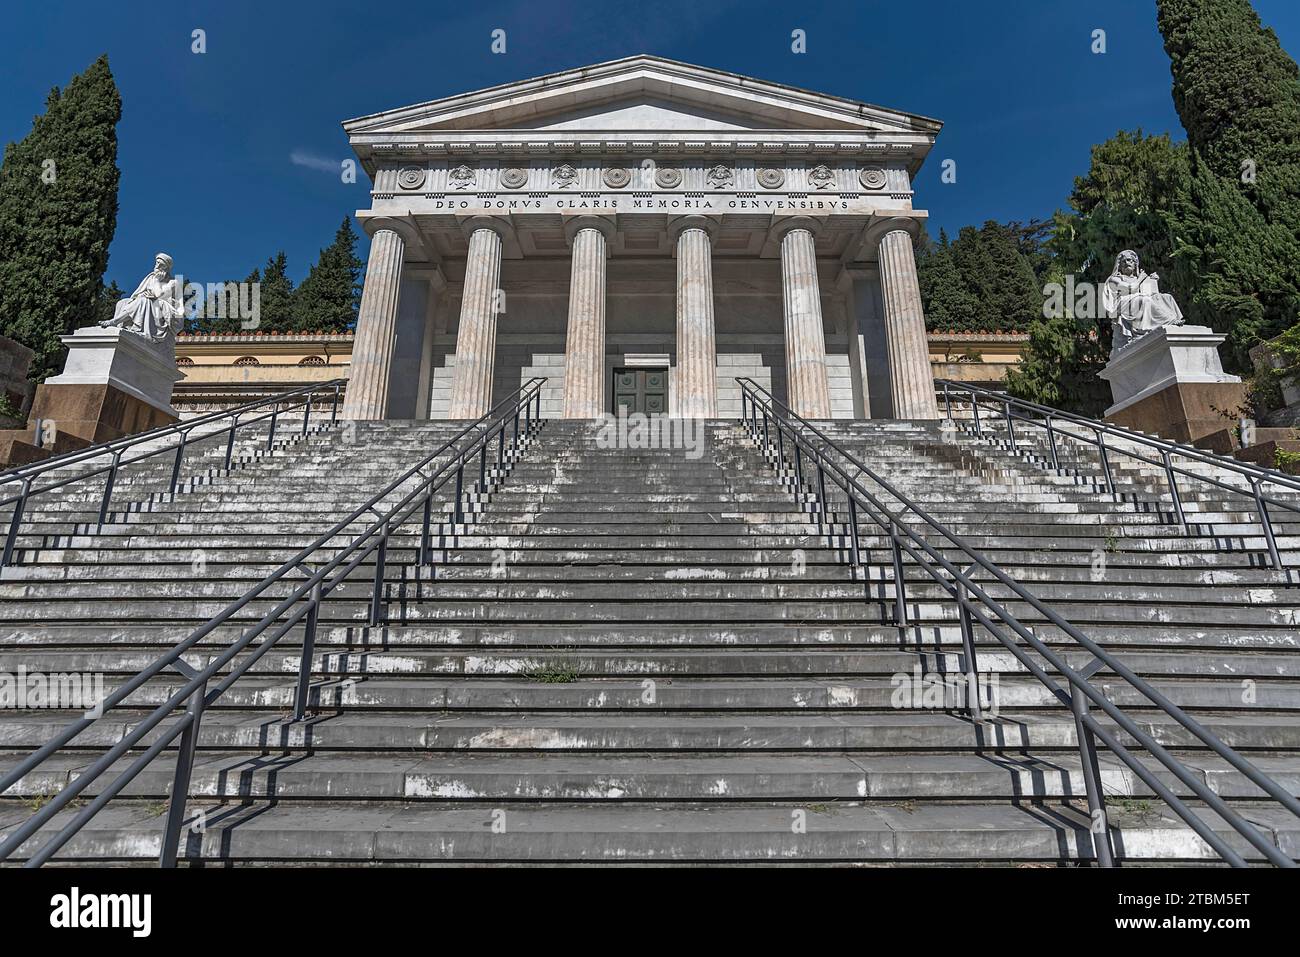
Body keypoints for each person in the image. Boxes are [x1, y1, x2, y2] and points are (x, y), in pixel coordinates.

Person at [99, 253, 181, 341]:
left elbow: (159, 295)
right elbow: (138, 293)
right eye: (157, 263)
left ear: (167, 268)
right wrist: (141, 295)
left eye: (161, 265)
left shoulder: (173, 282)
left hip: (165, 309)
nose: (157, 266)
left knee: (144, 301)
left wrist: (157, 281)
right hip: (149, 303)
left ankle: (115, 322)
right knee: (123, 302)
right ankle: (121, 325)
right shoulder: (151, 278)